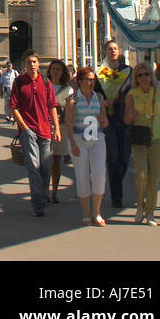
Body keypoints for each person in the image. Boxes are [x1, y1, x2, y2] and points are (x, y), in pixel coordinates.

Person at [123, 60, 160, 225]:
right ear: (136, 78)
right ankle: (140, 205)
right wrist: (132, 114)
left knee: (154, 177)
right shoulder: (132, 95)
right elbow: (126, 119)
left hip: (157, 137)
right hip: (139, 138)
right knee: (141, 175)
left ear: (151, 76)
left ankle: (150, 212)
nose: (143, 77)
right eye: (140, 75)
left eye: (146, 74)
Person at [10, 51, 60, 216]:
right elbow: (14, 107)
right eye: (28, 62)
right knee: (33, 167)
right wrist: (24, 127)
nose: (31, 65)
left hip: (45, 130)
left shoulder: (46, 83)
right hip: (28, 131)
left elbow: (52, 106)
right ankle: (38, 204)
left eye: (34, 62)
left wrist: (57, 128)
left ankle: (43, 191)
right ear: (24, 64)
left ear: (39, 64)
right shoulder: (19, 82)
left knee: (46, 166)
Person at [65, 65, 108, 226]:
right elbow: (68, 124)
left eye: (93, 79)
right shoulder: (73, 99)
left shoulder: (99, 97)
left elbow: (104, 119)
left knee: (99, 175)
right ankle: (86, 212)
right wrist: (73, 143)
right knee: (82, 175)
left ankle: (97, 212)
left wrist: (104, 121)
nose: (91, 82)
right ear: (80, 81)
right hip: (78, 138)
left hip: (97, 138)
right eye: (88, 80)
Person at [97, 38, 132, 209]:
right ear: (105, 52)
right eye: (109, 48)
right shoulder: (101, 72)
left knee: (124, 157)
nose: (112, 51)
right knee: (113, 157)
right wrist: (103, 103)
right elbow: (94, 94)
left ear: (119, 51)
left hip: (124, 116)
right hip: (108, 118)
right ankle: (116, 195)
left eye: (115, 48)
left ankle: (116, 183)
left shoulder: (128, 71)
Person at [46, 59, 72, 203]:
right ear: (49, 71)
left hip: (60, 127)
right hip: (44, 125)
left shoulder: (68, 90)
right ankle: (44, 190)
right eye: (53, 69)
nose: (55, 72)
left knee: (56, 160)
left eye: (58, 69)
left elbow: (70, 111)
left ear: (62, 72)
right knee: (44, 161)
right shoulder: (44, 86)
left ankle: (54, 191)